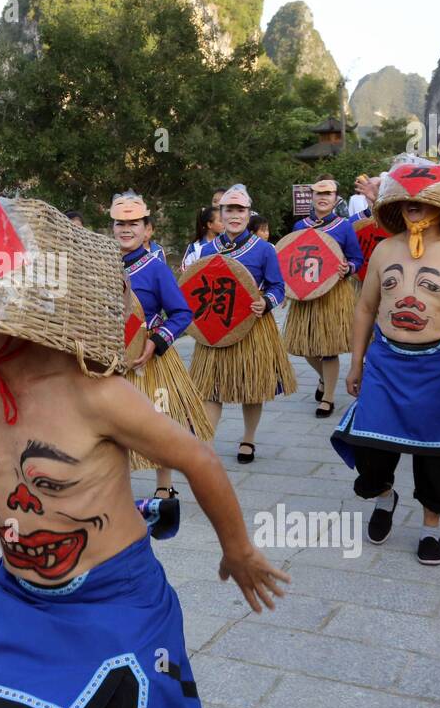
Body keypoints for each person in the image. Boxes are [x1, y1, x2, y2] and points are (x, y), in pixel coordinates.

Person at [0, 196, 288, 708]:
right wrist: (13, 520)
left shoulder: (96, 393)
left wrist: (238, 550)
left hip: (114, 597)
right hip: (14, 594)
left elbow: (200, 459)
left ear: (22, 294)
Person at [332, 163, 440, 566]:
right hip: (385, 364)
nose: (413, 206)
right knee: (370, 455)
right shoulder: (385, 249)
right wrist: (356, 363)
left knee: (439, 456)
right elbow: (366, 307)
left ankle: (430, 529)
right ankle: (384, 497)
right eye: (405, 200)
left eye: (421, 200)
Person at [112, 192, 213, 509]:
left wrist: (156, 341)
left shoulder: (156, 268)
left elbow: (182, 314)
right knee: (114, 425)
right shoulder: (102, 265)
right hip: (114, 362)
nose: (126, 229)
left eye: (133, 223)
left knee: (158, 421)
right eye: (119, 223)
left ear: (147, 229)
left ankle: (164, 487)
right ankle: (115, 486)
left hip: (151, 360)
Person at [187, 185, 297, 464]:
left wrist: (267, 302)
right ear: (220, 214)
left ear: (249, 213)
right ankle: (207, 446)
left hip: (252, 327)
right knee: (210, 388)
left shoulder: (264, 250)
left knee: (251, 387)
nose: (234, 215)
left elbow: (278, 287)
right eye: (229, 210)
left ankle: (248, 438)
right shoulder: (206, 250)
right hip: (214, 327)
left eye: (240, 210)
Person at [283, 175, 364, 417]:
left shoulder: (344, 226)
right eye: (319, 193)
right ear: (312, 196)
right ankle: (323, 379)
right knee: (305, 348)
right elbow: (288, 259)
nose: (323, 198)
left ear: (336, 198)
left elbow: (357, 259)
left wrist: (347, 268)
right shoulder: (299, 227)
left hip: (333, 294)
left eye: (328, 193)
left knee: (329, 349)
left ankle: (327, 397)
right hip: (304, 295)